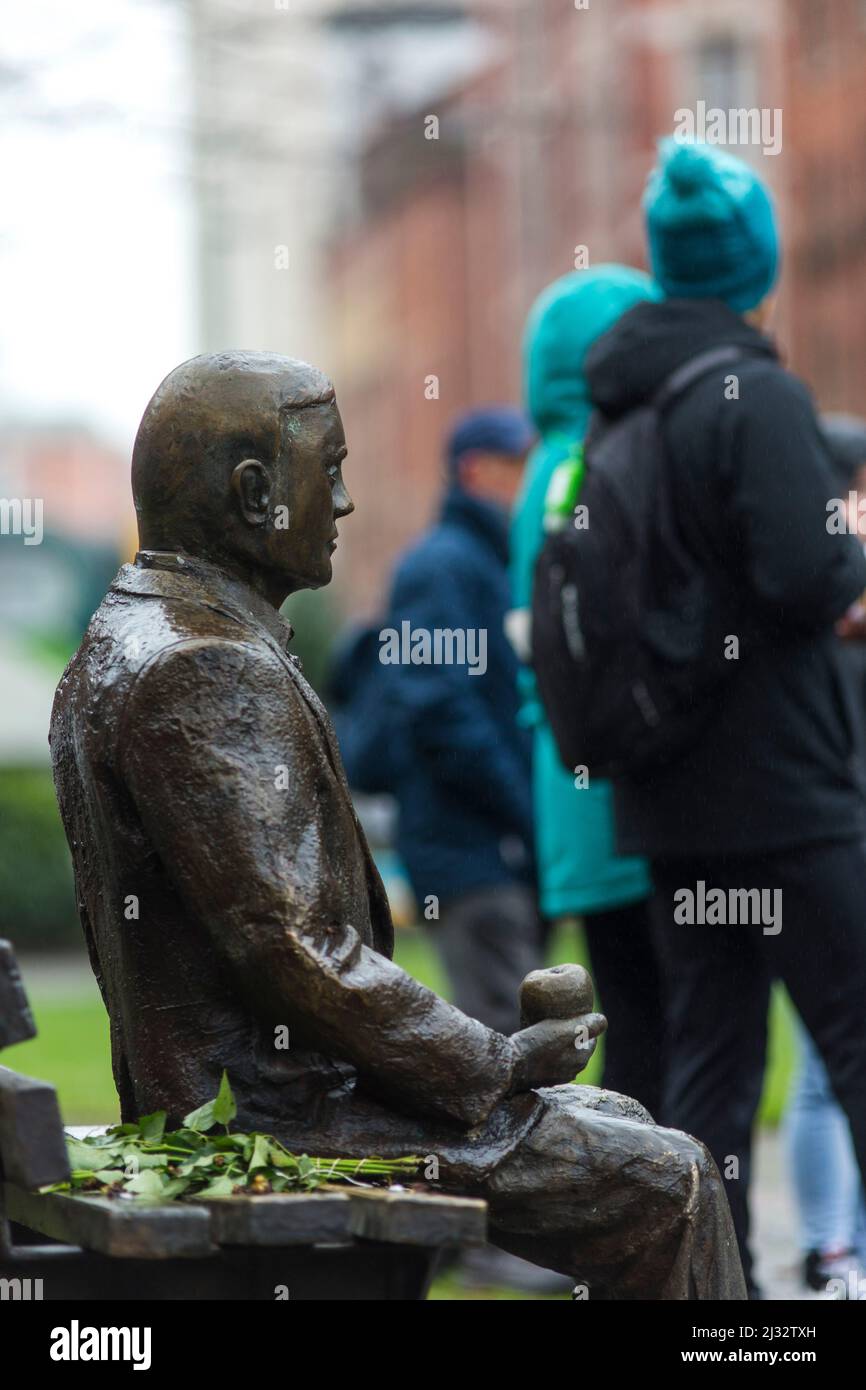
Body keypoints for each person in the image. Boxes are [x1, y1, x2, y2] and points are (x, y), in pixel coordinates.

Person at [50, 351, 746, 1299]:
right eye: (327, 469)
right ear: (258, 493)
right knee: (673, 1181)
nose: (342, 502)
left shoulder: (132, 635)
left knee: (621, 1116)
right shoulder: (204, 664)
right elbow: (288, 946)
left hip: (272, 1099)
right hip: (276, 1120)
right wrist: (492, 1059)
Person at [584, 138, 866, 1297]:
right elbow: (804, 575)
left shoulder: (623, 411)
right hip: (784, 797)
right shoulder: (754, 396)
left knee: (708, 1070)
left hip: (671, 801)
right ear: (752, 269)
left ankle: (714, 1310)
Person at [510, 265, 665, 1116]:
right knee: (655, 1027)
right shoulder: (595, 462)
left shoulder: (543, 467)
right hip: (613, 791)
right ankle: (659, 1222)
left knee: (632, 1013)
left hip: (566, 788)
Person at [382, 408, 541, 1038]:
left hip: (492, 848)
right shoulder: (441, 567)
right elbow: (438, 709)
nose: (526, 483)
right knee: (506, 1043)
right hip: (469, 852)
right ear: (476, 471)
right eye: (516, 467)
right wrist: (523, 806)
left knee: (516, 1033)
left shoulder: (486, 561)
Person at [784, 414, 866, 1296]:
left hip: (821, 825)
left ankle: (828, 1249)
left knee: (819, 1058)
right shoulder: (836, 577)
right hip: (839, 829)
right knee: (831, 1056)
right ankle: (837, 1251)